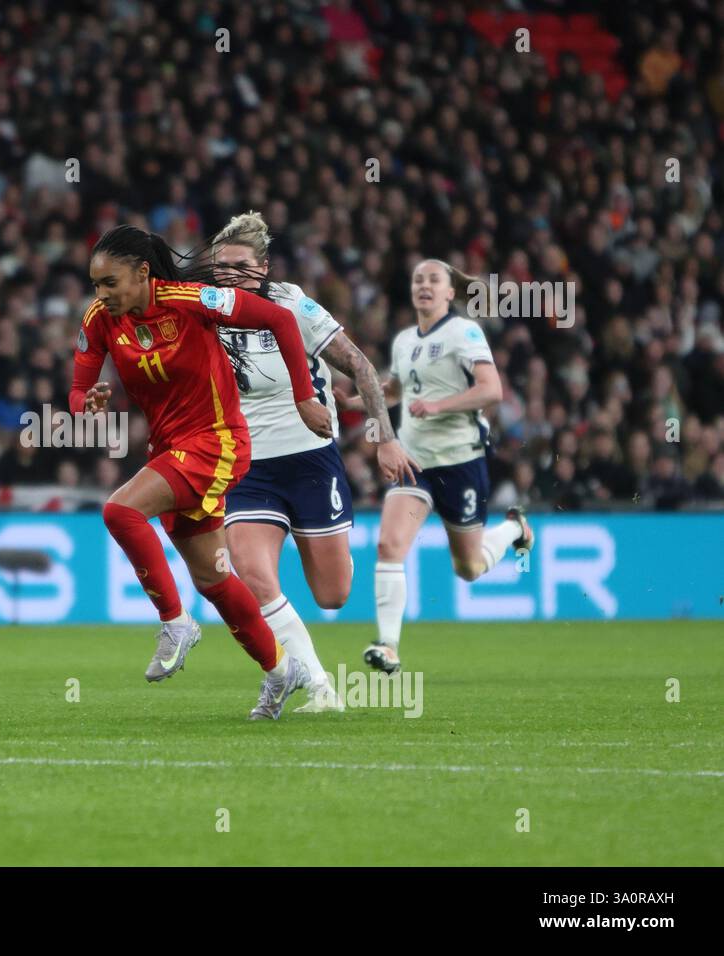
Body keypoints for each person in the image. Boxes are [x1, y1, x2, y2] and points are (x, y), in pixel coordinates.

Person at [69, 225, 332, 720]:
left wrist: (304, 397)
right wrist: (88, 402)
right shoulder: (102, 319)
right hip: (171, 450)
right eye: (95, 285)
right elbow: (79, 386)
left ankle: (175, 622)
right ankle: (281, 671)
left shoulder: (192, 300)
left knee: (119, 511)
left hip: (218, 441)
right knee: (214, 579)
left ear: (143, 272)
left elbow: (278, 319)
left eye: (109, 283)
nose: (100, 295)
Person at [210, 211, 419, 711]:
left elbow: (362, 367)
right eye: (221, 268)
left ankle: (330, 554)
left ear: (263, 268)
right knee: (252, 573)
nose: (230, 277)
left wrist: (384, 438)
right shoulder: (207, 311)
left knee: (332, 595)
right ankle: (312, 681)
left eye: (241, 267)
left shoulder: (294, 305)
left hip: (310, 461)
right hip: (247, 467)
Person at [340, 259, 533, 674]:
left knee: (469, 568)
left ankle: (515, 528)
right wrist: (351, 403)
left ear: (449, 292)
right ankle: (388, 645)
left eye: (434, 280)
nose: (424, 286)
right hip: (415, 461)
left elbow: (491, 389)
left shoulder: (464, 332)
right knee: (389, 545)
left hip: (461, 461)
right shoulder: (405, 340)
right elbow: (394, 390)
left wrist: (439, 406)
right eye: (418, 280)